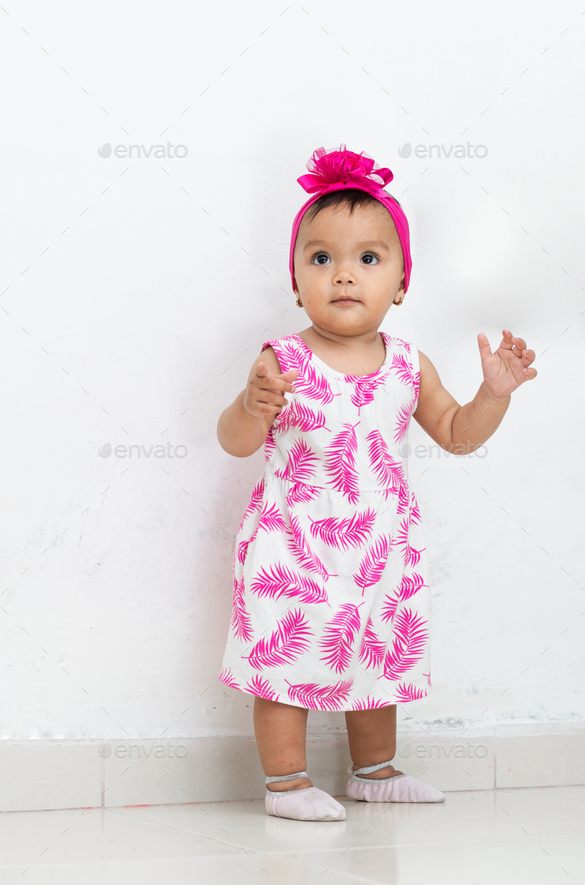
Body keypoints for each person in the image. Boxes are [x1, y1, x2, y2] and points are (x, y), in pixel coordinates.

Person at [216, 145, 537, 822]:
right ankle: (287, 783)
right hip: (294, 549)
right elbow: (235, 440)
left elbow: (456, 432)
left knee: (376, 661)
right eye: (321, 257)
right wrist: (253, 405)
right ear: (297, 279)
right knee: (288, 660)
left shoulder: (406, 365)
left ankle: (375, 771)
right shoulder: (283, 360)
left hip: (378, 554)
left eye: (368, 258)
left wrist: (493, 395)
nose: (342, 275)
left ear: (400, 281)